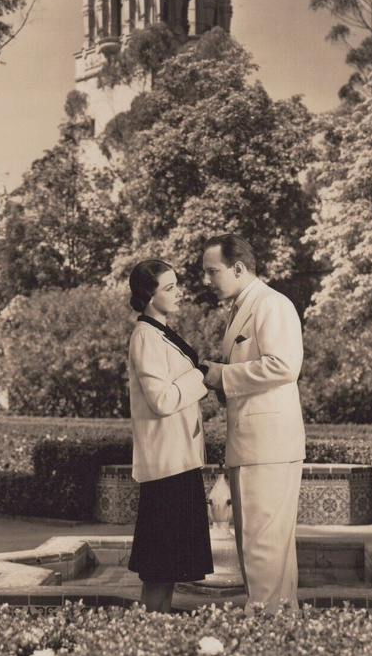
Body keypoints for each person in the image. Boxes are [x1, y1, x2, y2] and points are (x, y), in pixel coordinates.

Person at [201, 234, 305, 614]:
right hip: (254, 443)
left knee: (262, 543)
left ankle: (262, 626)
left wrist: (224, 376)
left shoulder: (272, 304)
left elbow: (284, 366)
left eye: (212, 271)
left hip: (268, 445)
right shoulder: (244, 306)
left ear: (239, 268)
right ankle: (281, 623)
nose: (207, 280)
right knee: (267, 544)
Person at [126, 258, 214, 612]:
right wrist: (200, 377)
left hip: (178, 462)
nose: (180, 293)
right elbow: (162, 400)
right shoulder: (146, 337)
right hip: (166, 467)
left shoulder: (159, 332)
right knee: (159, 568)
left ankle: (157, 635)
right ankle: (148, 636)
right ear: (149, 295)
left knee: (169, 567)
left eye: (178, 285)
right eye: (170, 288)